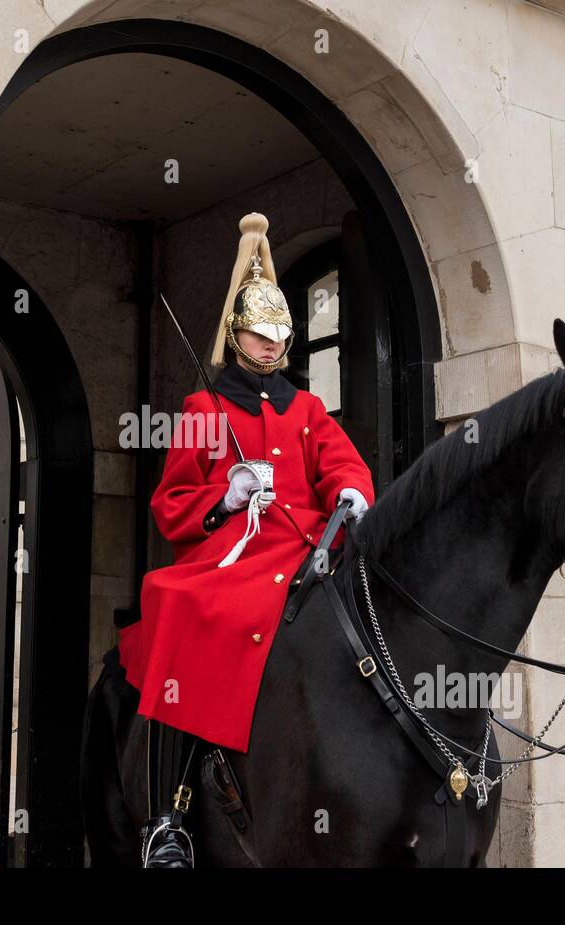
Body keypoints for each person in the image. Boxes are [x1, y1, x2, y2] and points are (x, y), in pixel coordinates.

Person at [116, 212, 376, 867]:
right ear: (237, 336)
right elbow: (171, 502)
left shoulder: (308, 409)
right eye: (260, 335)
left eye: (279, 336)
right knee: (179, 605)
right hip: (229, 554)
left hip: (303, 544)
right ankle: (167, 819)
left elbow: (341, 462)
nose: (271, 345)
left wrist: (350, 489)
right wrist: (224, 496)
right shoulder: (206, 411)